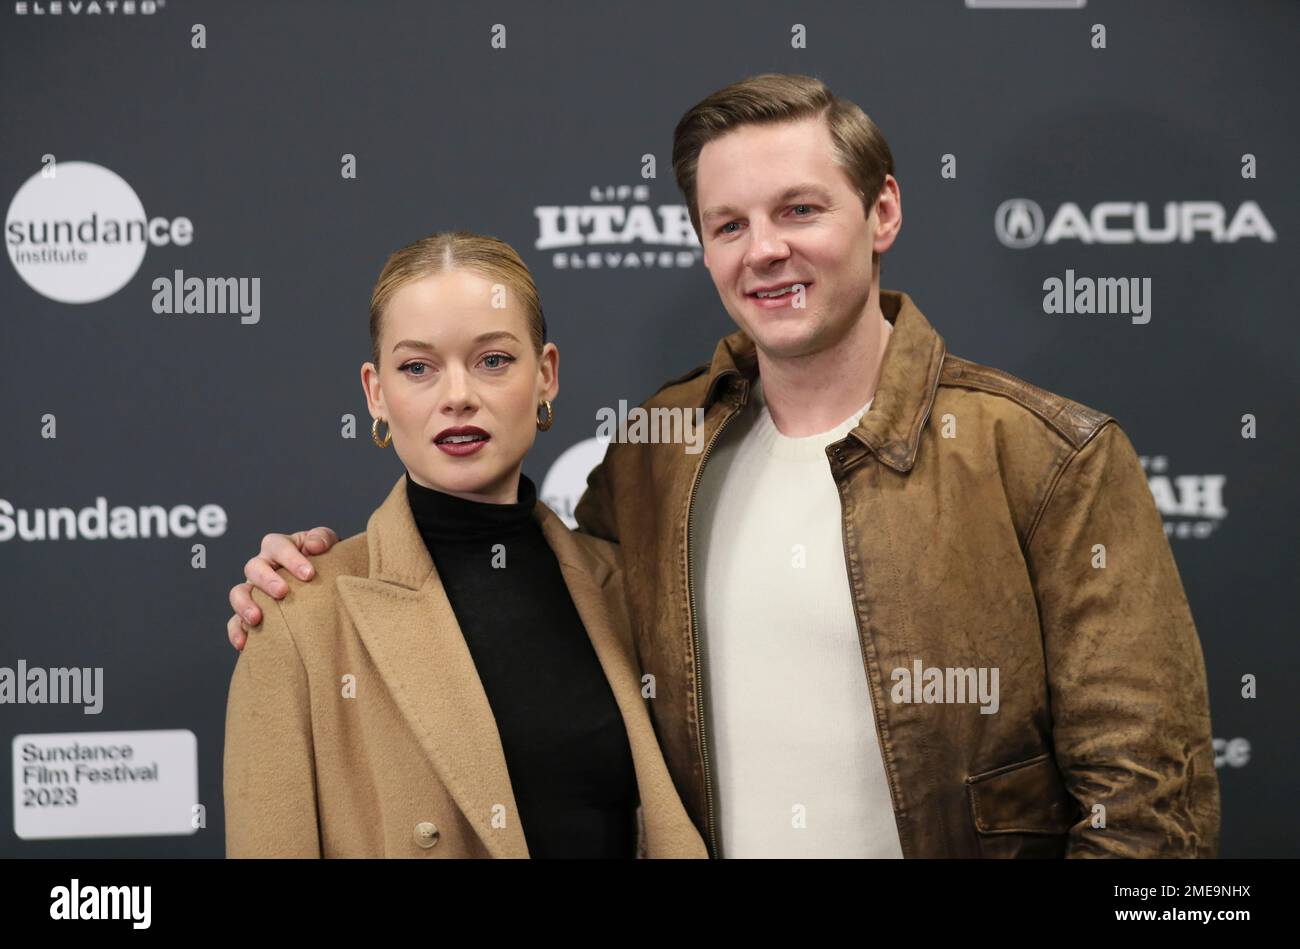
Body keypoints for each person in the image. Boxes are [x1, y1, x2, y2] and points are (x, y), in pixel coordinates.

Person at [226, 74, 1220, 858]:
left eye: (800, 210)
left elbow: (1146, 802)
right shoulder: (658, 458)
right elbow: (504, 603)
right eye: (729, 224)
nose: (766, 252)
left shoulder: (1045, 455)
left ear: (881, 214)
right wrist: (310, 577)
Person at [223, 230, 707, 859]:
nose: (457, 396)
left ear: (546, 376)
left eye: (493, 360)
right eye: (417, 367)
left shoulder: (625, 586)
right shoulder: (295, 615)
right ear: (375, 392)